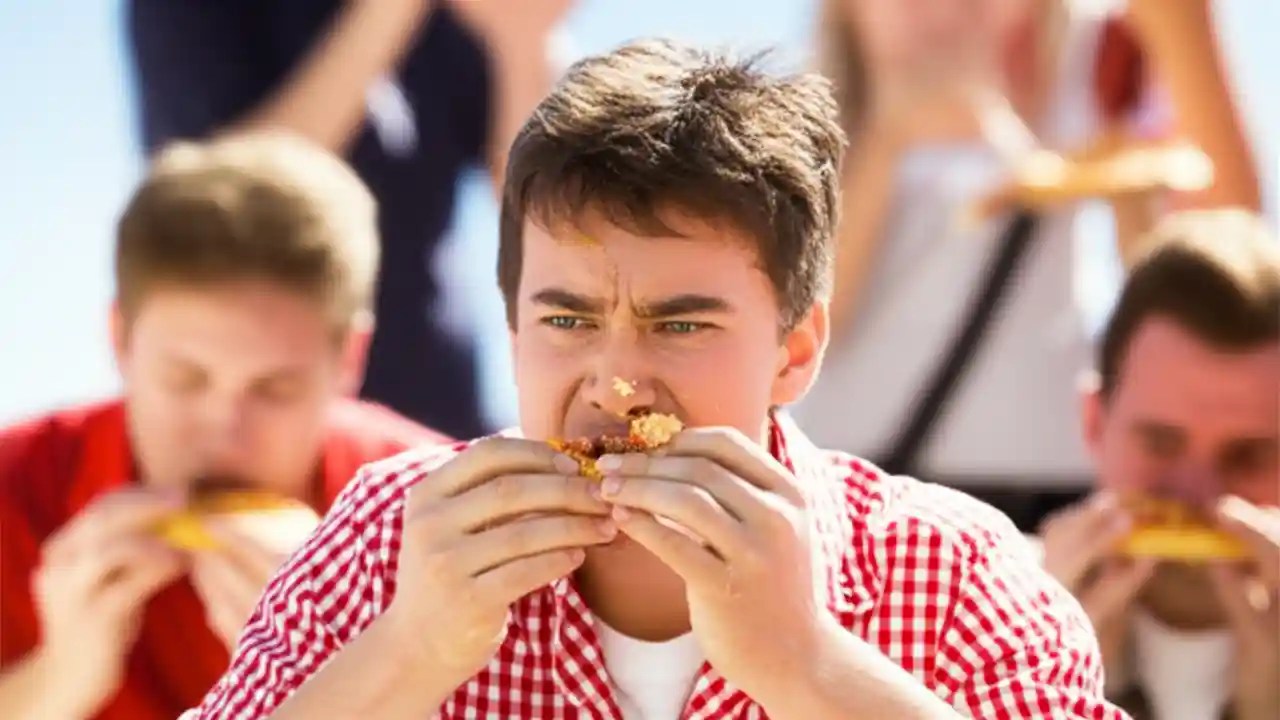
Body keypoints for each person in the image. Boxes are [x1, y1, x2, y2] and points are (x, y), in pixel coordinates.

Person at [181, 40, 1126, 720]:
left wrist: (806, 667)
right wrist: (408, 655)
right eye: (567, 320)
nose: (618, 381)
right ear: (512, 335)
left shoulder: (952, 572)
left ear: (794, 351)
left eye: (680, 324)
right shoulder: (387, 541)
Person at [0, 133, 450, 720]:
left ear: (349, 359)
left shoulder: (437, 512)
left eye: (274, 389)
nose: (223, 432)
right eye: (185, 379)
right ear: (120, 340)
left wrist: (363, 675)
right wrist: (62, 676)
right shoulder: (15, 489)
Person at [793, 0, 1262, 528]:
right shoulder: (811, 102)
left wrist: (1180, 33)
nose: (946, 15)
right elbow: (795, 320)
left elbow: (1229, 258)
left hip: (1056, 483)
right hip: (867, 485)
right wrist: (888, 138)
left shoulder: (1102, 57)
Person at [126, 0, 576, 439]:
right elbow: (217, 202)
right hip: (255, 420)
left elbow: (547, 226)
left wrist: (520, 38)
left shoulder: (451, 20)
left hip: (435, 409)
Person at [1038, 209, 1279, 720]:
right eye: (1161, 442)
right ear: (1093, 424)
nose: (1198, 490)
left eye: (1250, 454)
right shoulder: (967, 613)